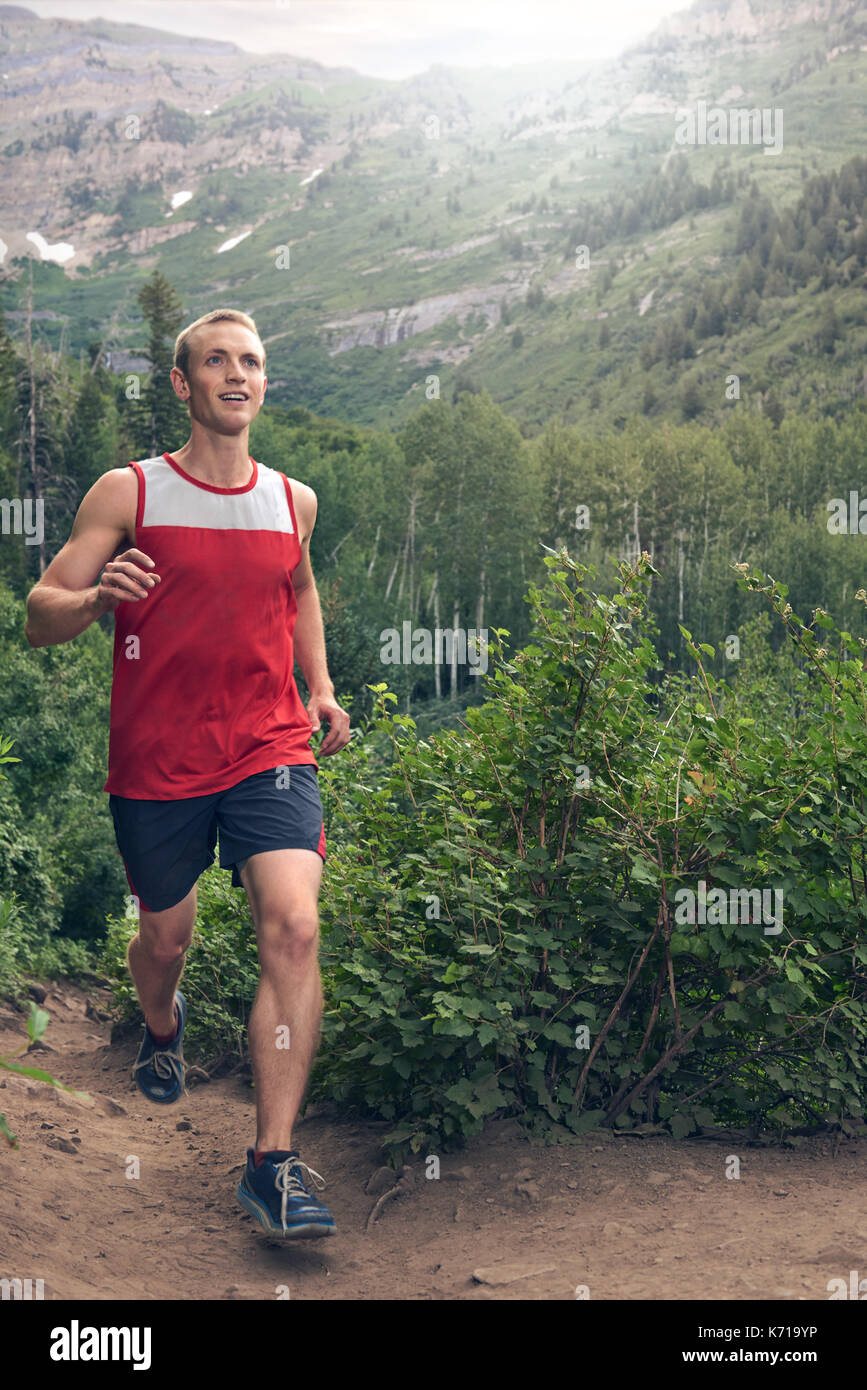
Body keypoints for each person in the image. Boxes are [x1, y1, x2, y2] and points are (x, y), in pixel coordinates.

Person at [24, 308, 351, 1240]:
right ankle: (160, 1030)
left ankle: (272, 1166)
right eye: (216, 361)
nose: (236, 375)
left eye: (250, 361)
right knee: (164, 942)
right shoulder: (128, 492)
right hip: (158, 762)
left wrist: (320, 687)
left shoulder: (295, 501)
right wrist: (94, 597)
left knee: (292, 926)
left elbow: (297, 590)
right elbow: (40, 614)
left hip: (268, 748)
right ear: (183, 384)